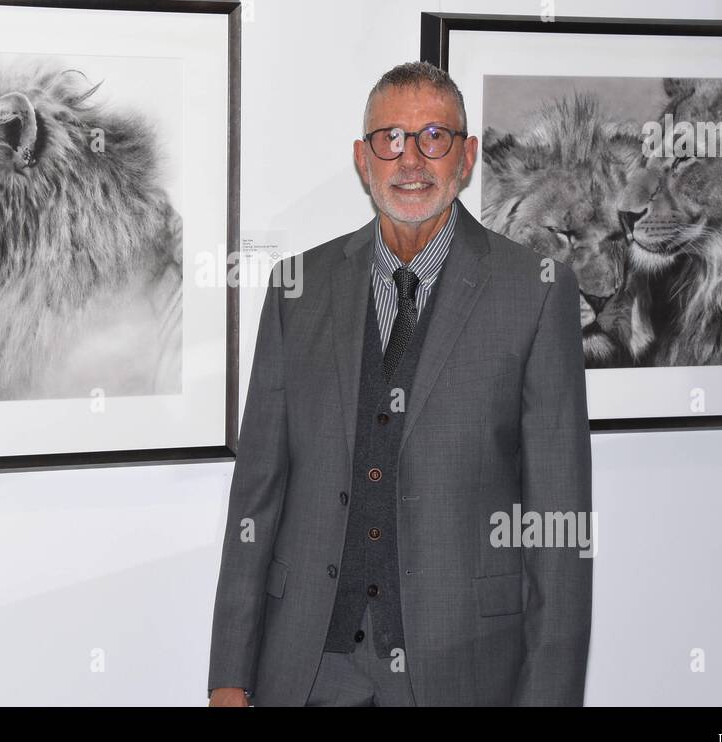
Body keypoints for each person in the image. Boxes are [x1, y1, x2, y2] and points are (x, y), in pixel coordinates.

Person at [207, 62, 593, 706]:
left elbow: (559, 522)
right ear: (364, 160)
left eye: (433, 137)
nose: (410, 159)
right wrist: (229, 676)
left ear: (466, 157)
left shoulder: (536, 292)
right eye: (390, 138)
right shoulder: (297, 289)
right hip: (306, 668)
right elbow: (256, 496)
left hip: (462, 668)